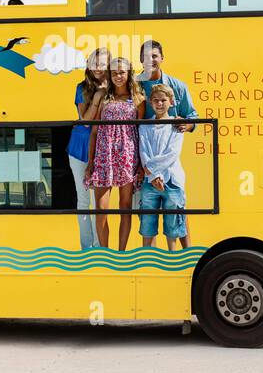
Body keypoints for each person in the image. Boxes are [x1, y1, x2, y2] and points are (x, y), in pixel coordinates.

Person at [137, 40, 197, 246]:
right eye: (145, 56)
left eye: (154, 55)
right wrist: (149, 172)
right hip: (141, 160)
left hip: (169, 165)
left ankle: (186, 256)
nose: (150, 60)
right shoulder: (133, 86)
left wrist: (185, 125)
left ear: (162, 58)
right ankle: (149, 262)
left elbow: (192, 116)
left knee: (178, 210)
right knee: (147, 215)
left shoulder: (178, 87)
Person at [84, 56, 144, 250]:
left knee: (125, 207)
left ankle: (121, 253)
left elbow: (141, 133)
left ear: (129, 74)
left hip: (128, 155)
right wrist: (90, 161)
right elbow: (94, 130)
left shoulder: (138, 98)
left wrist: (142, 165)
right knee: (101, 209)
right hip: (104, 154)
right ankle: (104, 251)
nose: (118, 76)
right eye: (114, 72)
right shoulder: (102, 96)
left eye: (122, 72)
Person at [68, 47, 111, 250]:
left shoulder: (116, 87)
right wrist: (97, 98)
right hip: (80, 147)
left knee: (100, 202)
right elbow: (85, 121)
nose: (97, 67)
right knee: (84, 199)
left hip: (104, 148)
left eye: (102, 63)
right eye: (93, 62)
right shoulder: (81, 87)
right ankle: (87, 248)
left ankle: (100, 247)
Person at [138, 84, 188, 250]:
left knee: (173, 224)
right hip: (150, 181)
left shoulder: (176, 125)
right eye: (156, 101)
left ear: (171, 101)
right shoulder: (144, 126)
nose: (160, 104)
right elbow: (144, 151)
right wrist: (152, 177)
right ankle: (147, 257)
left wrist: (153, 172)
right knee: (147, 223)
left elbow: (172, 153)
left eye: (163, 100)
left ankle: (172, 257)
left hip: (172, 180)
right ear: (151, 103)